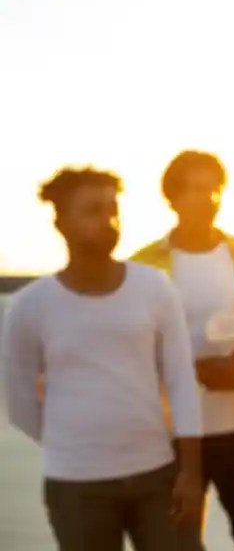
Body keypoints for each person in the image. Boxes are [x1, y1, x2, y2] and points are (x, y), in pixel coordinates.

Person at [2, 167, 204, 550]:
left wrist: (190, 474)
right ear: (61, 222)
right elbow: (20, 404)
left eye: (114, 210)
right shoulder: (29, 307)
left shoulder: (154, 288)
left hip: (157, 476)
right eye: (94, 210)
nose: (109, 221)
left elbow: (180, 380)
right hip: (76, 485)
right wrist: (73, 443)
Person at [131, 150, 234, 551]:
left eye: (215, 190)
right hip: (169, 435)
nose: (208, 199)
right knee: (177, 543)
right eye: (197, 189)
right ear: (172, 197)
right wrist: (185, 368)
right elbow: (129, 351)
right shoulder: (143, 267)